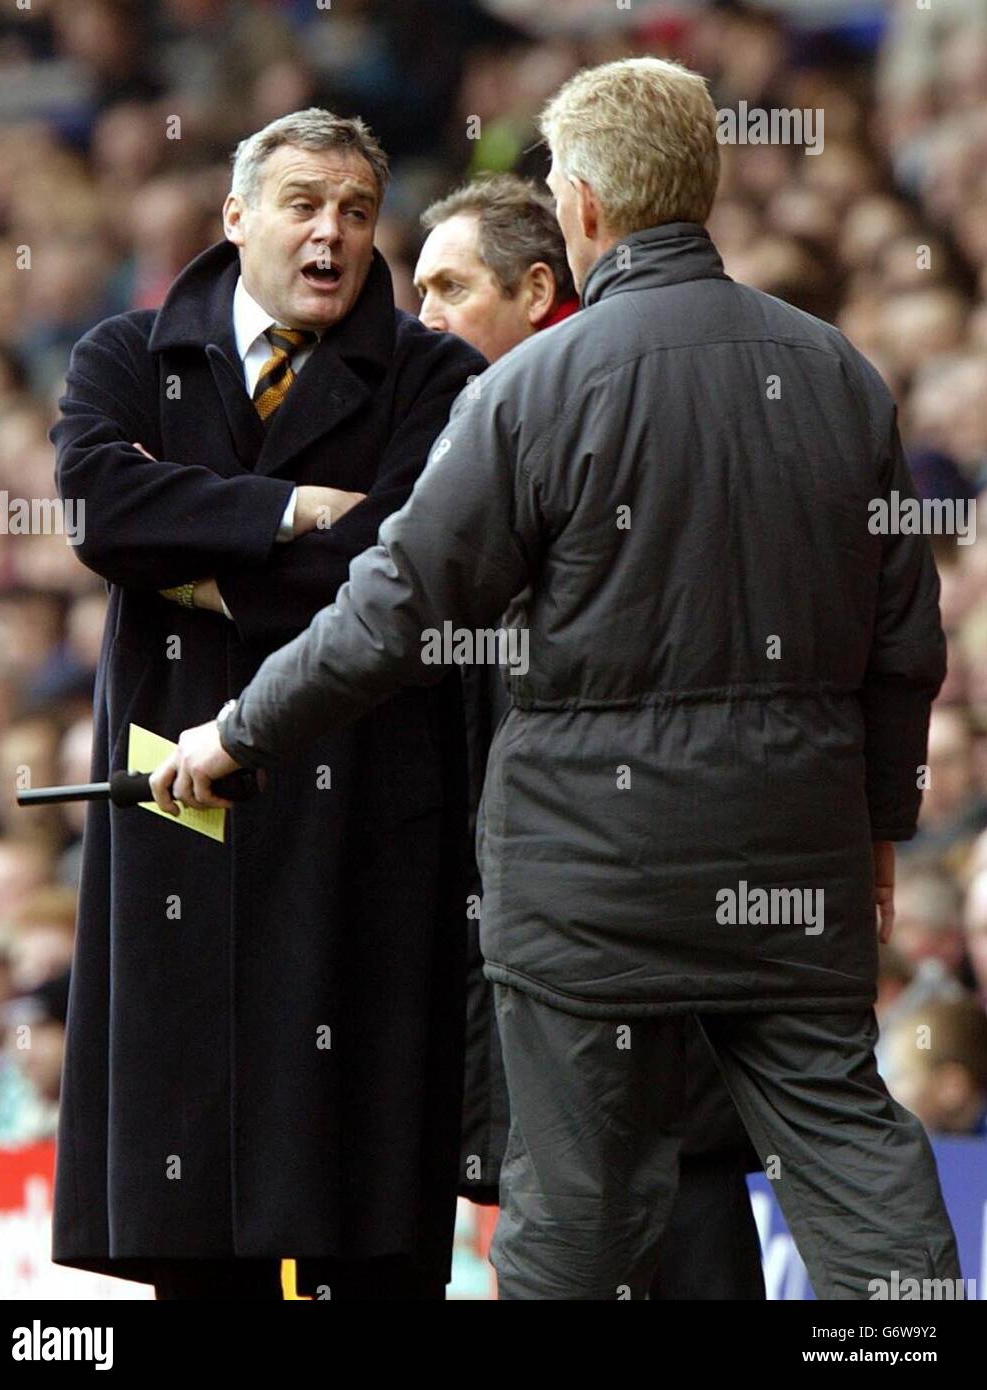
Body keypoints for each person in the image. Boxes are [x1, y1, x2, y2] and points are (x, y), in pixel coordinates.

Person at [155, 59, 960, 1300]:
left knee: (574, 1213)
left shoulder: (533, 386)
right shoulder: (838, 375)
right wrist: (877, 830)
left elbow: (395, 607)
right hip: (792, 857)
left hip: (593, 880)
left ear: (579, 208)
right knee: (850, 1153)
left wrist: (238, 730)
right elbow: (907, 639)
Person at [51, 108, 484, 1301]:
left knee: (354, 1179)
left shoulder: (439, 374)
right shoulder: (126, 354)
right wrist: (289, 511)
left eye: (354, 210)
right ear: (236, 216)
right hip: (174, 792)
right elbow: (97, 512)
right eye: (302, 204)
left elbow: (393, 570)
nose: (331, 234)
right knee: (189, 1185)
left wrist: (194, 555)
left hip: (361, 789)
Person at [415, 171, 763, 1298]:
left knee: (647, 1174)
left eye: (448, 287)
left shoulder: (559, 406)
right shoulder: (494, 416)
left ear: (535, 289)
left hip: (612, 875)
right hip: (600, 873)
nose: (424, 316)